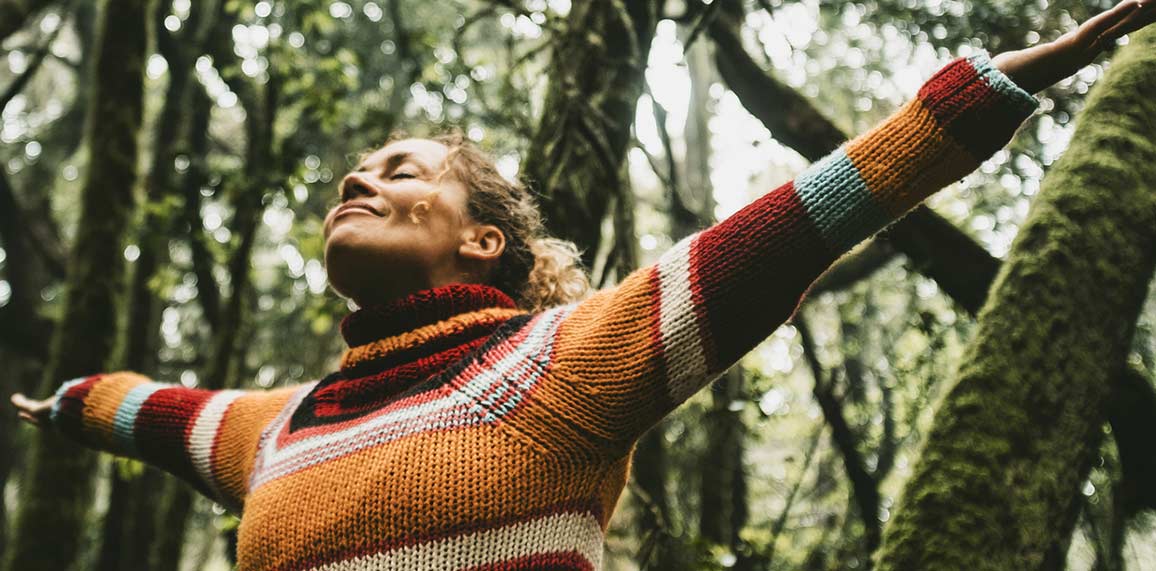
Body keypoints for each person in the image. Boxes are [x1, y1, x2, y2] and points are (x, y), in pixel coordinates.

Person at [12, 2, 1156, 569]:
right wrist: (68, 403)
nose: (360, 175)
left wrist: (974, 97)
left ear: (482, 246)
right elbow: (161, 413)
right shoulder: (282, 429)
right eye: (358, 171)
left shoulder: (557, 368)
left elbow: (781, 235)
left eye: (402, 170)